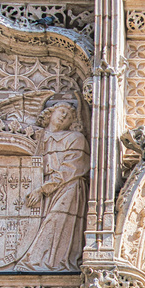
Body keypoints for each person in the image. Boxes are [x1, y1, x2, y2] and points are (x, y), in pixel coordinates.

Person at [21, 102, 88, 271]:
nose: (64, 116)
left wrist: (43, 189)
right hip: (41, 186)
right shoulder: (38, 137)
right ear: (49, 113)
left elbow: (70, 169)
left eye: (69, 115)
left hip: (67, 186)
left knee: (56, 222)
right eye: (61, 111)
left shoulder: (75, 138)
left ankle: (45, 262)